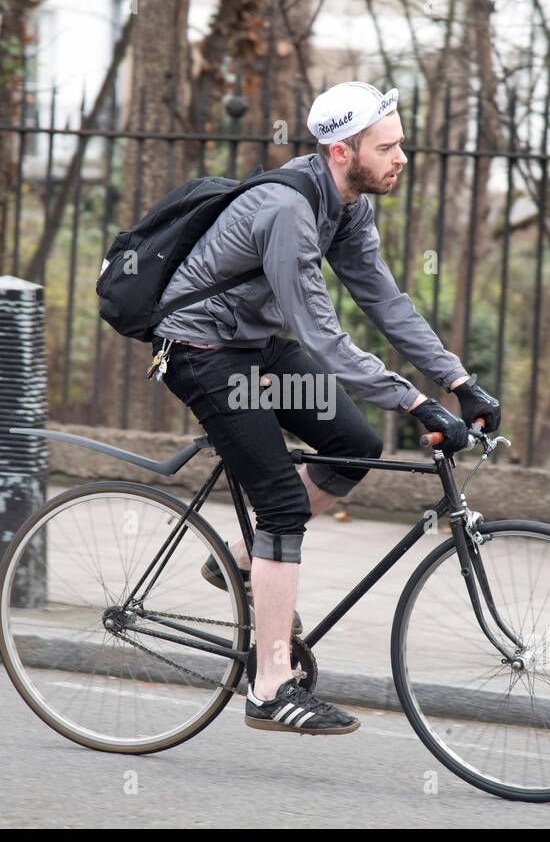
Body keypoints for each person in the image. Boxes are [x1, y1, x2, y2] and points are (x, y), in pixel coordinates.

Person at [152, 81, 500, 734]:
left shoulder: (347, 206)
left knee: (356, 444)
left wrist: (458, 380)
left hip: (255, 345)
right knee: (282, 502)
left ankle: (238, 556)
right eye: (388, 146)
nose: (403, 156)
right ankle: (270, 685)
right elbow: (323, 339)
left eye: (401, 143)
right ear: (342, 150)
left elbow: (386, 302)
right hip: (201, 351)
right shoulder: (287, 209)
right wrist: (416, 401)